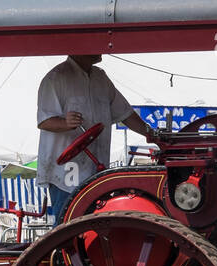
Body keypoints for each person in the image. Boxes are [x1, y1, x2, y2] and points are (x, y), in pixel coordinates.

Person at [37, 54, 160, 223]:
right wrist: (65, 122)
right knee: (65, 226)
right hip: (65, 173)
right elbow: (44, 121)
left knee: (94, 224)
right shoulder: (56, 77)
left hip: (97, 172)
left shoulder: (100, 78)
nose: (101, 48)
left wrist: (153, 135)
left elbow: (126, 113)